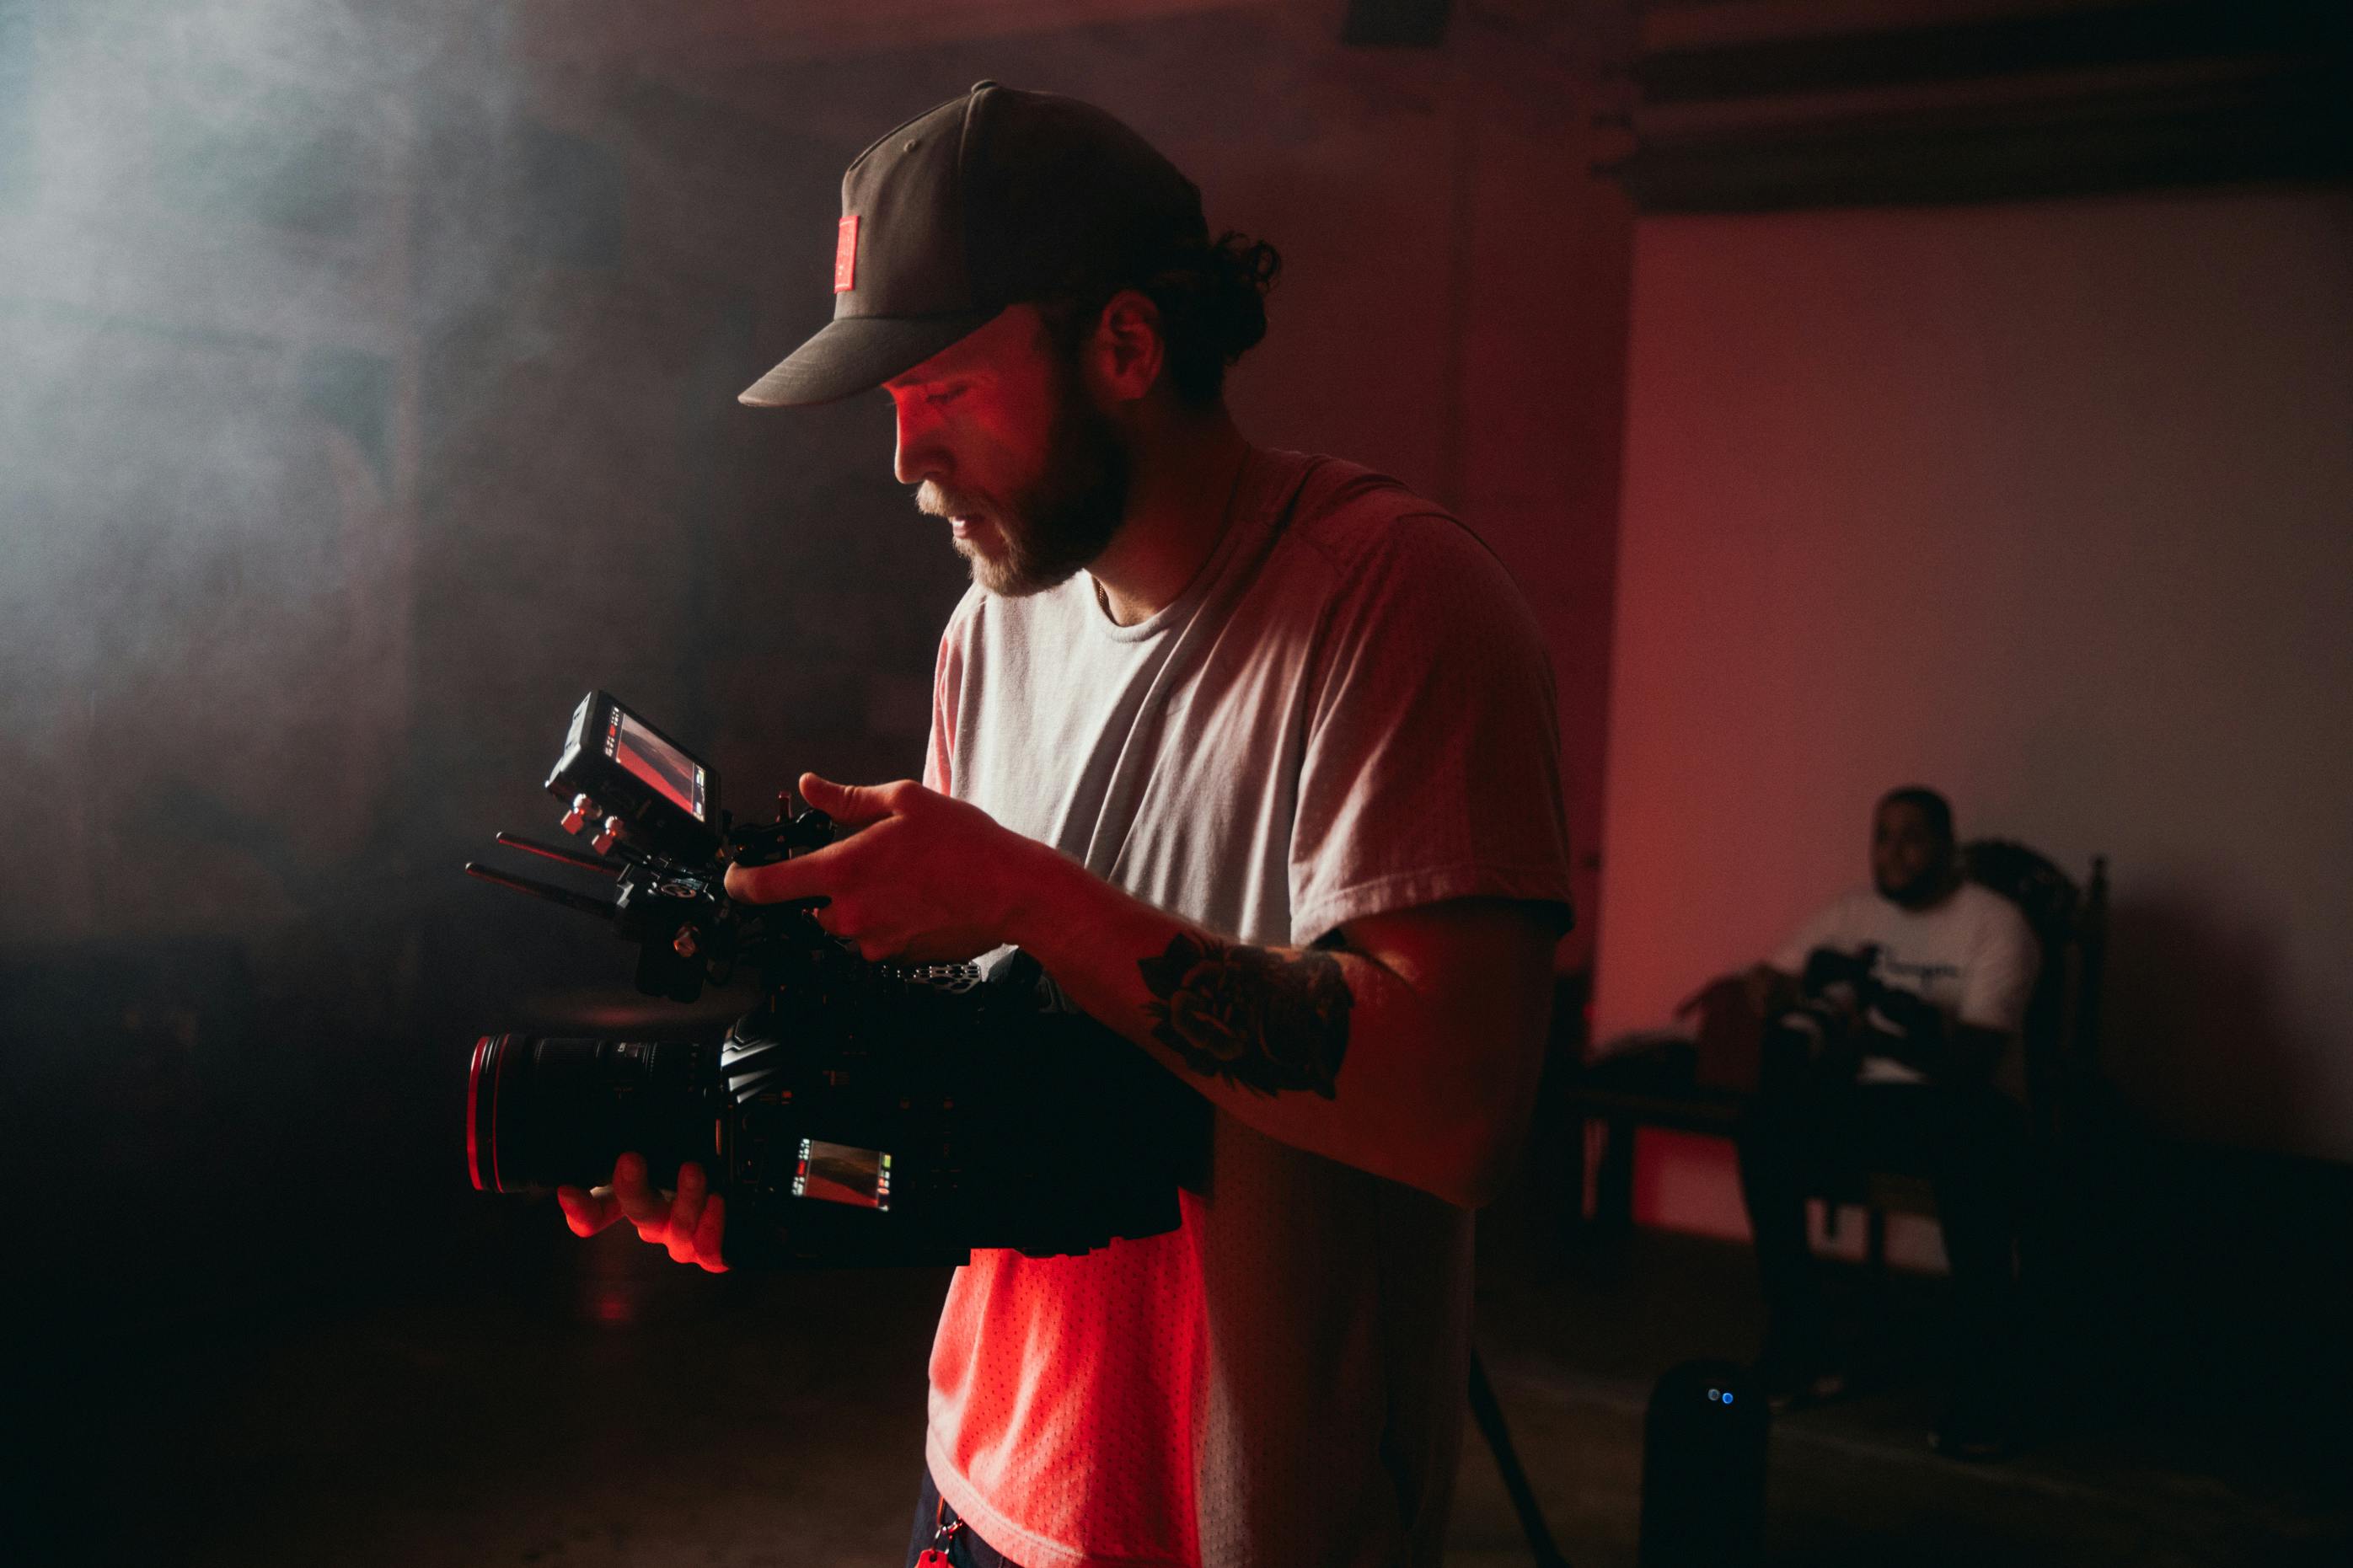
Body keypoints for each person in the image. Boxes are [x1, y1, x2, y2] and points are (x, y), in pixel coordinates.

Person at [555, 83, 1576, 1567]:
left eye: (943, 391)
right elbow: (999, 1088)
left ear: (1125, 347)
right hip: (985, 1486)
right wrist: (783, 1180)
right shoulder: (994, 624)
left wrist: (1025, 892)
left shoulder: (1395, 603)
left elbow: (1462, 1114)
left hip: (1251, 1524)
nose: (904, 458)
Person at [1727, 786, 2039, 1459]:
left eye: (1912, 837)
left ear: (1947, 849)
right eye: (1882, 836)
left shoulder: (1995, 922)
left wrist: (1873, 1035)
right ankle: (1800, 1342)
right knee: (1764, 1125)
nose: (1893, 853)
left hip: (1969, 1104)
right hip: (1876, 1102)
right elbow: (1779, 976)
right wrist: (1771, 987)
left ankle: (1988, 1382)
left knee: (1974, 1151)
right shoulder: (1851, 913)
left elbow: (1973, 1066)